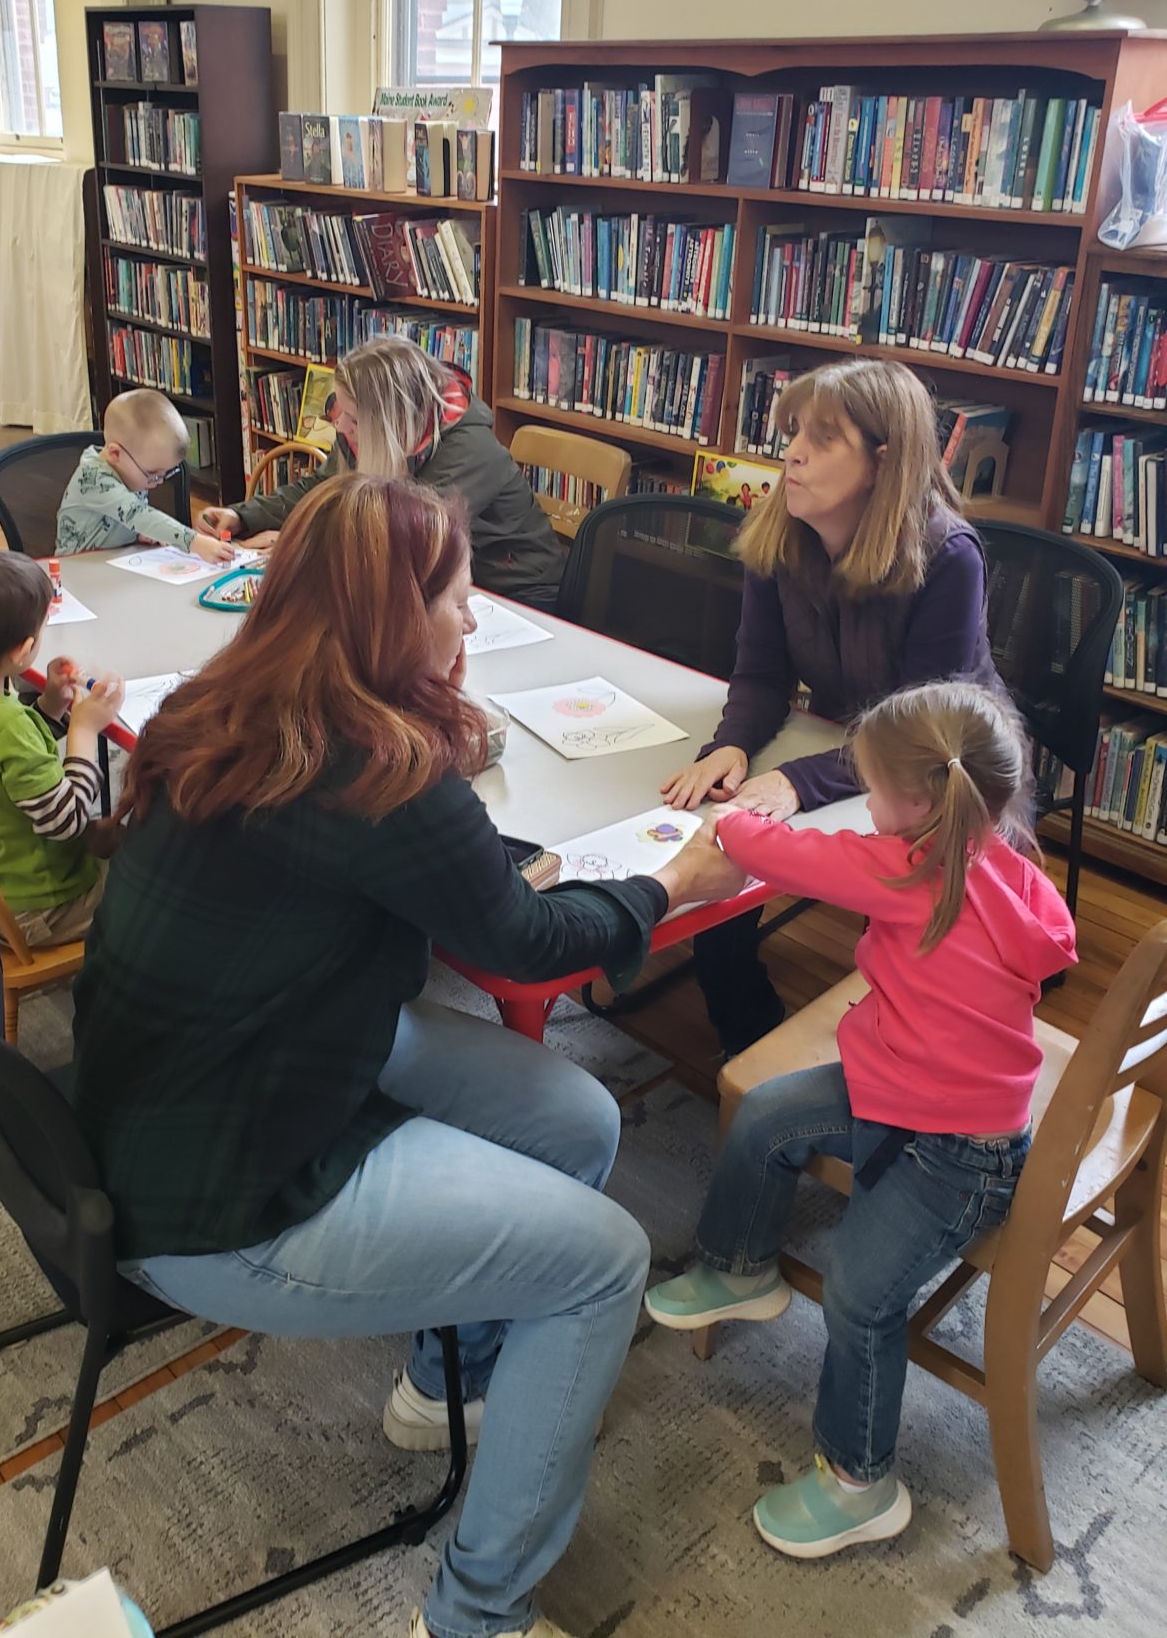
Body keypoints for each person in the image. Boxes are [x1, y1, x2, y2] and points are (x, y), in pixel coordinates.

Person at [72, 475, 743, 1638]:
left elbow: (389, 889)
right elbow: (525, 949)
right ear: (390, 620)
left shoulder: (221, 704)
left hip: (198, 1075)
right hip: (223, 1189)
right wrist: (668, 884)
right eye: (456, 597)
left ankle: (449, 1378)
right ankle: (479, 1613)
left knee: (581, 1123)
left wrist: (474, 870)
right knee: (604, 1262)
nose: (473, 619)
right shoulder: (382, 771)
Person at [646, 681, 1075, 1558]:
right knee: (764, 1114)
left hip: (962, 1151)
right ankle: (739, 1269)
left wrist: (727, 826)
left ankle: (860, 1479)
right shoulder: (1003, 864)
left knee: (860, 1295)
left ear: (917, 805)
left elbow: (791, 857)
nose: (865, 805)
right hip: (900, 1084)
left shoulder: (903, 869)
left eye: (873, 789)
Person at [660, 358, 1004, 1056]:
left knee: (925, 942)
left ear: (882, 461)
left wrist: (798, 780)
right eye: (793, 433)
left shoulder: (947, 557)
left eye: (821, 439)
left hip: (948, 768)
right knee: (731, 833)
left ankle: (894, 1056)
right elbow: (760, 673)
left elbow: (916, 735)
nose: (792, 454)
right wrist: (732, 743)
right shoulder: (779, 528)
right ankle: (747, 1038)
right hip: (847, 738)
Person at [198, 336, 566, 608]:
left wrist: (299, 543)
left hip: (512, 596)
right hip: (436, 587)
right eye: (339, 412)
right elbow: (325, 486)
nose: (340, 426)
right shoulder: (370, 432)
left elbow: (401, 538)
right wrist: (241, 516)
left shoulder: (470, 452)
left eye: (353, 418)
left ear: (390, 420)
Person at [0, 550, 126, 946]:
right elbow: (67, 821)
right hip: (41, 907)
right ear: (22, 649)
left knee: (116, 838)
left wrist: (50, 704)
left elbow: (4, 762)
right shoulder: (7, 726)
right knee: (148, 880)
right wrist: (83, 730)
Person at [56, 387, 230, 559]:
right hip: (76, 571)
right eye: (152, 473)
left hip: (116, 563)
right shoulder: (94, 480)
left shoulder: (131, 468)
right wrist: (196, 543)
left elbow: (123, 519)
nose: (159, 481)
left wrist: (134, 534)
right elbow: (138, 515)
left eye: (166, 473)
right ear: (115, 454)